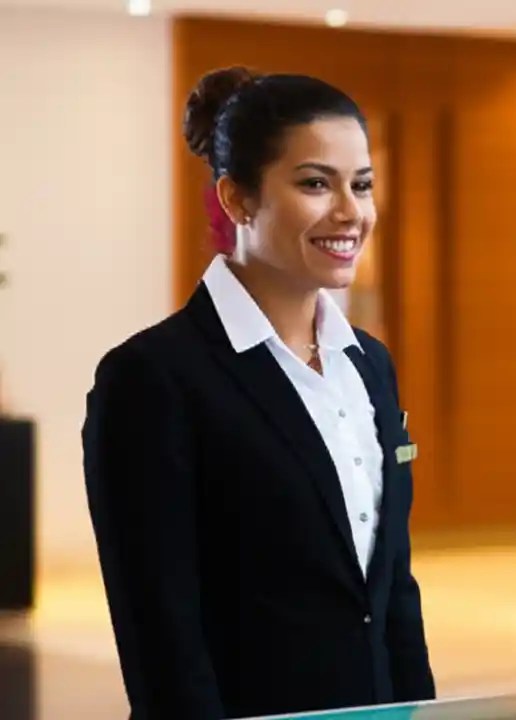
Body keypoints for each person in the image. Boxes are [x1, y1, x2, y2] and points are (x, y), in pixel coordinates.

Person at [81, 66, 435, 719]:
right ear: (237, 199)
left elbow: (393, 594)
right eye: (315, 184)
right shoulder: (152, 379)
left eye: (361, 184)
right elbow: (161, 638)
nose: (350, 212)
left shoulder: (369, 366)